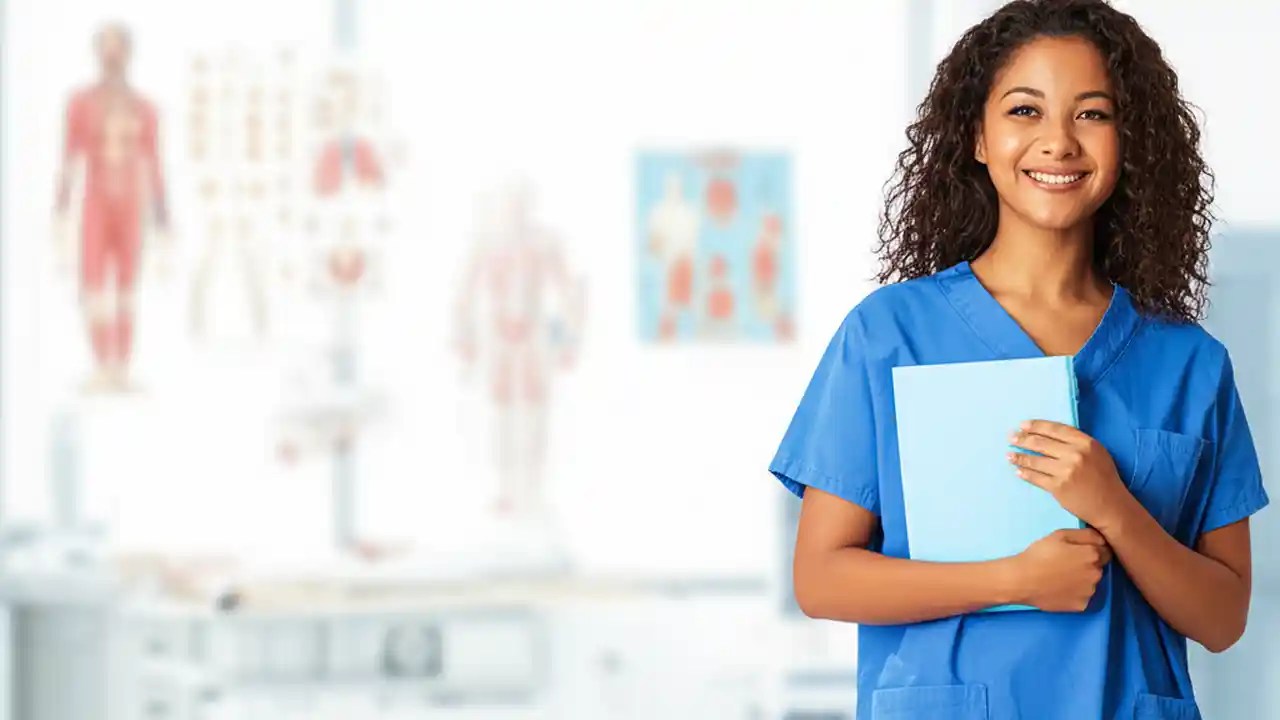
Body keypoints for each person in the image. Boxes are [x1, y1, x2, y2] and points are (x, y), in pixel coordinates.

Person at [769, 2, 1268, 719]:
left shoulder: (1191, 364)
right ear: (977, 136)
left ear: (1131, 140)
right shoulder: (888, 335)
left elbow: (1223, 619)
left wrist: (1114, 509)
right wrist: (1013, 580)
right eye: (1025, 110)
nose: (1058, 142)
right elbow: (821, 579)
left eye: (1092, 114)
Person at [54, 23, 168, 392]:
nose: (112, 56)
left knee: (127, 286)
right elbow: (69, 156)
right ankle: (102, 363)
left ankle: (122, 367)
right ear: (97, 54)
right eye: (106, 48)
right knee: (92, 282)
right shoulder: (80, 103)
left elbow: (153, 160)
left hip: (131, 204)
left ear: (129, 54)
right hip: (96, 203)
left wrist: (163, 213)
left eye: (118, 48)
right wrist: (60, 207)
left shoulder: (146, 108)